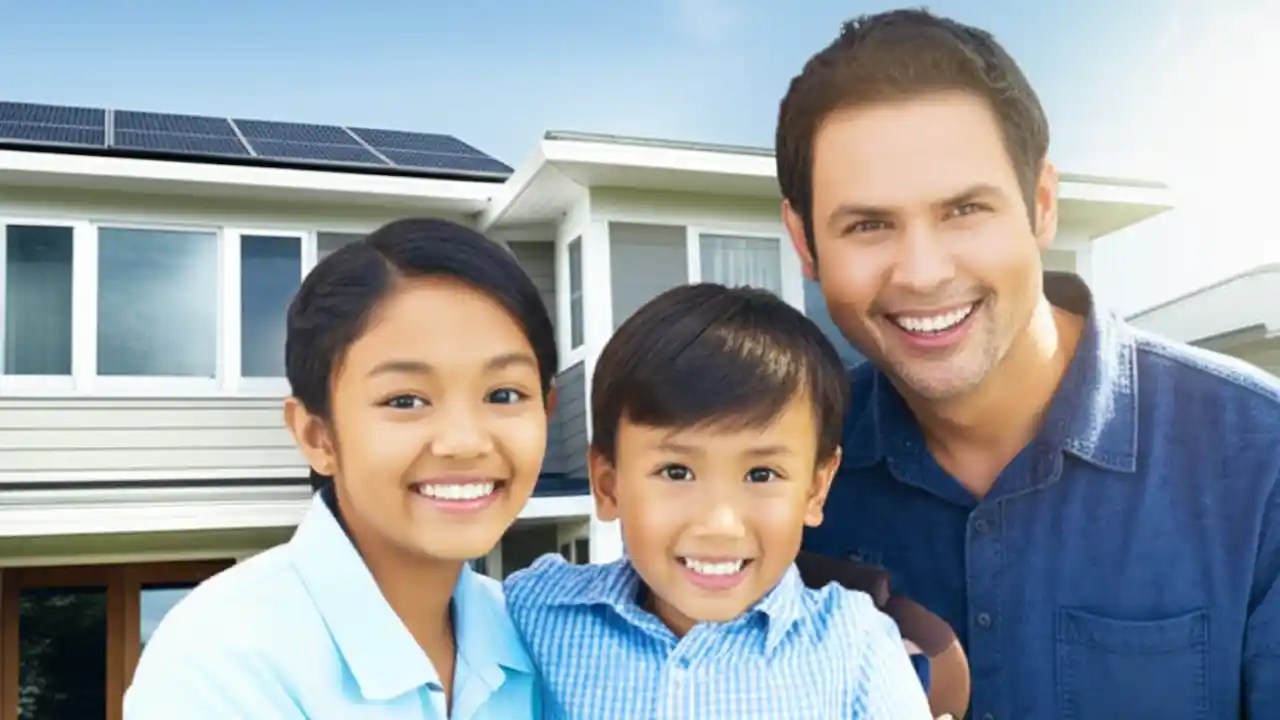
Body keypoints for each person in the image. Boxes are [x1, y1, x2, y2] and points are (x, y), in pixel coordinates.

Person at [778, 8, 1280, 718]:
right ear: (803, 242)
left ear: (1042, 205)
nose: (922, 272)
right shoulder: (778, 477)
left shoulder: (1262, 463)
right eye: (868, 224)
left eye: (963, 210)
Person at [124, 218, 559, 718]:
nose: (464, 442)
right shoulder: (222, 660)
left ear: (546, 412)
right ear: (317, 436)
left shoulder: (536, 638)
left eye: (504, 394)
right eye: (406, 400)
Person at [504, 283, 934, 719]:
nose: (720, 523)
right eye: (676, 472)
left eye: (761, 474)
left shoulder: (855, 647)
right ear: (608, 484)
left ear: (816, 488)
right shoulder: (533, 613)